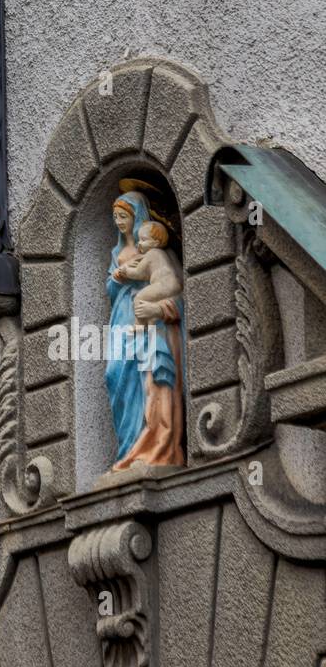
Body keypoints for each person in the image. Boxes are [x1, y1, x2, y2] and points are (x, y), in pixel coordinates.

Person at [104, 190, 185, 471]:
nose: (118, 222)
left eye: (124, 216)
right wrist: (116, 279)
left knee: (151, 379)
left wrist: (158, 310)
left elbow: (179, 293)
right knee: (115, 374)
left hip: (152, 325)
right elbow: (111, 289)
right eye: (115, 217)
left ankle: (155, 447)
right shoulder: (117, 253)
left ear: (138, 217)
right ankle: (128, 449)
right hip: (122, 321)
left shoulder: (158, 254)